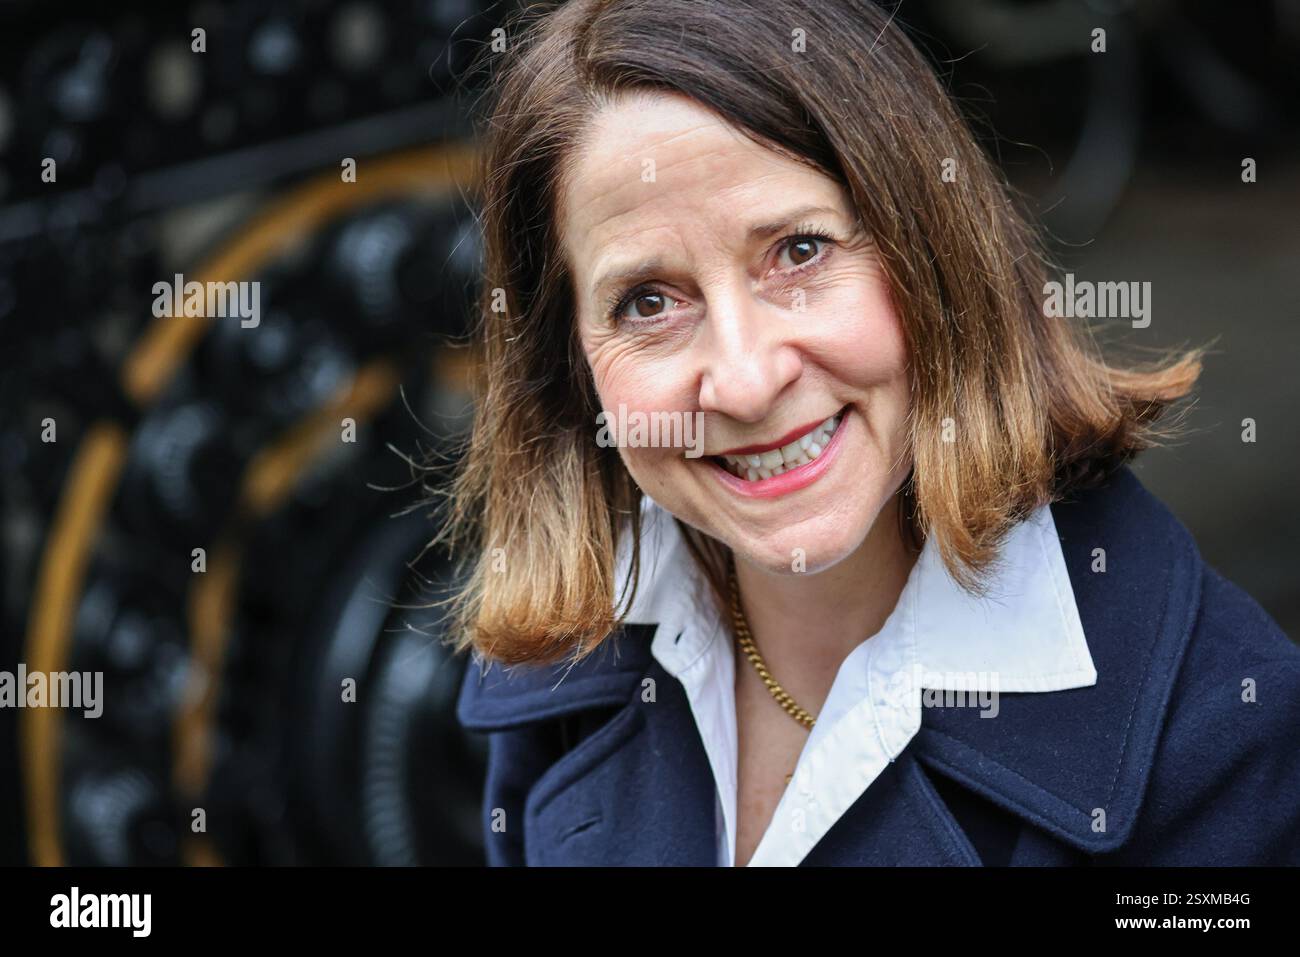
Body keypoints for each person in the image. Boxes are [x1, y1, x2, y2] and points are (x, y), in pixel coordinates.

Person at [439, 0, 1300, 865]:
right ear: (569, 363)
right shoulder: (561, 654)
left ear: (933, 249)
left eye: (800, 252)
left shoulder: (1223, 736)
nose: (744, 378)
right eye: (649, 302)